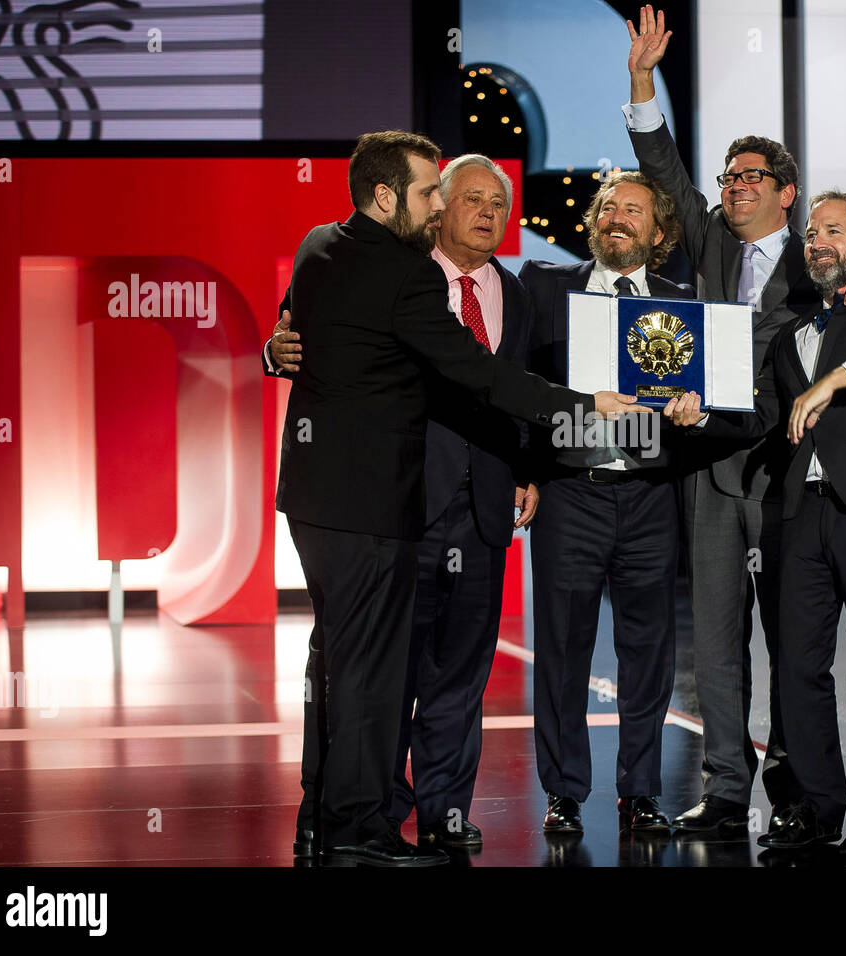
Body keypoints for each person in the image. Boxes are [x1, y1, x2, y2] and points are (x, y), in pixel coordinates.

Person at [276, 130, 637, 866]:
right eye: (433, 193)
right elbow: (481, 375)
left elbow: (312, 331)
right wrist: (585, 404)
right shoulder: (408, 275)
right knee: (373, 675)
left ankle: (339, 821)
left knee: (353, 666)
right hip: (380, 503)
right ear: (388, 197)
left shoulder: (320, 242)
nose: (443, 206)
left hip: (323, 498)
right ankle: (360, 829)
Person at [623, 5, 846, 835]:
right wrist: (643, 80)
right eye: (728, 176)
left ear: (786, 192)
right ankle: (726, 791)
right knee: (714, 644)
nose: (734, 187)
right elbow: (661, 162)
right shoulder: (707, 239)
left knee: (792, 646)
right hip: (710, 471)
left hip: (786, 476)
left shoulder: (823, 267)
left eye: (750, 177)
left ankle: (796, 798)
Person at [268, 154, 538, 852]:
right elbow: (306, 323)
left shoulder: (517, 291)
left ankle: (443, 812)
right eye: (468, 198)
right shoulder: (392, 268)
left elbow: (516, 387)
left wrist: (529, 467)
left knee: (459, 672)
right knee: (373, 668)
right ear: (434, 206)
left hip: (481, 506)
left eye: (499, 204)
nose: (487, 213)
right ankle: (362, 814)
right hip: (397, 504)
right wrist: (275, 347)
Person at [665, 191, 846, 855]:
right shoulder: (791, 337)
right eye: (812, 231)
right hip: (798, 515)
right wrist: (699, 415)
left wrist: (834, 380)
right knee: (797, 666)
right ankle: (815, 808)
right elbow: (759, 422)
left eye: (833, 231)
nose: (816, 239)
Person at [518, 171, 693, 834]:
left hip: (650, 495)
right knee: (562, 647)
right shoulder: (543, 285)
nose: (618, 217)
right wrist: (523, 468)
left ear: (658, 234)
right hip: (569, 493)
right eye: (610, 207)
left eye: (633, 211)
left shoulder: (684, 301)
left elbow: (711, 403)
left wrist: (692, 414)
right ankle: (564, 793)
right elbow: (521, 384)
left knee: (647, 650)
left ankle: (640, 792)